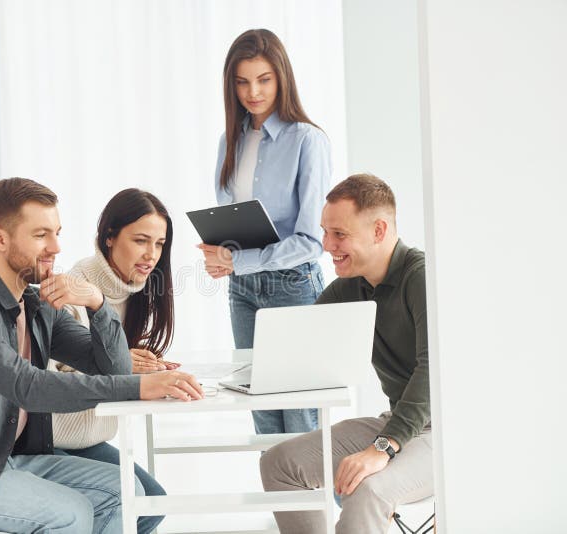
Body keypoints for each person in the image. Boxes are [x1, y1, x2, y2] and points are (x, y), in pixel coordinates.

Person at [0, 178, 203, 534]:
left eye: (57, 233)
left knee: (126, 494)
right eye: (41, 235)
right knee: (71, 514)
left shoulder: (35, 304)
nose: (55, 247)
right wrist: (141, 387)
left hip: (1, 460)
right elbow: (27, 386)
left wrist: (96, 302)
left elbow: (112, 368)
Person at [259, 174, 432, 533]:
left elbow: (432, 373)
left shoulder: (422, 277)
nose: (326, 244)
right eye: (324, 232)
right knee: (279, 463)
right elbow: (294, 347)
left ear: (379, 230)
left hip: (446, 432)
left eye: (339, 234)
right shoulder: (348, 289)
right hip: (399, 422)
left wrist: (382, 448)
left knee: (366, 488)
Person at [199, 28, 331, 435]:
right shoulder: (229, 141)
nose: (252, 92)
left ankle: (323, 502)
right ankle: (282, 503)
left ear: (282, 78)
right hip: (242, 291)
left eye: (263, 79)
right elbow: (230, 216)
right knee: (264, 417)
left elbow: (312, 241)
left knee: (301, 420)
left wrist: (239, 260)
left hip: (293, 287)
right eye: (242, 81)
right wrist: (219, 254)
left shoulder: (307, 140)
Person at [47, 188, 180, 534]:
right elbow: (50, 377)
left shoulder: (136, 291)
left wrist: (139, 364)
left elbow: (117, 362)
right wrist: (120, 365)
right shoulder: (76, 288)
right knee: (136, 502)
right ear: (109, 237)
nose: (151, 254)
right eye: (140, 240)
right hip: (55, 439)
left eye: (159, 244)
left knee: (151, 503)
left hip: (89, 439)